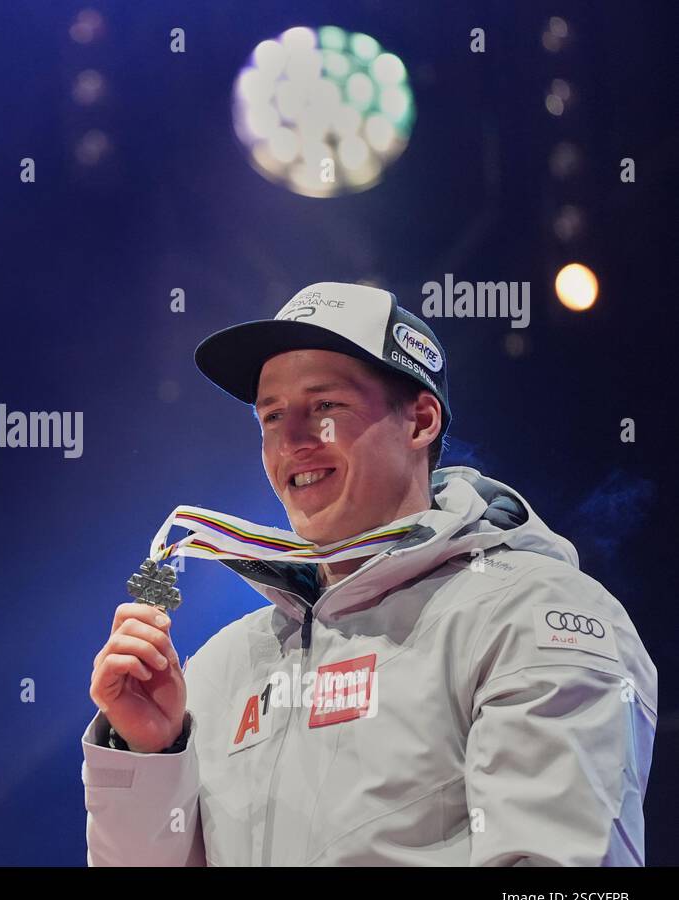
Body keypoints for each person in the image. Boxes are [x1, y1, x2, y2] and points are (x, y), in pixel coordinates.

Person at [82, 281, 657, 866]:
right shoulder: (223, 666)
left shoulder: (530, 615)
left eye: (325, 406)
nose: (294, 440)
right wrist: (150, 755)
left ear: (420, 421)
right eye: (273, 415)